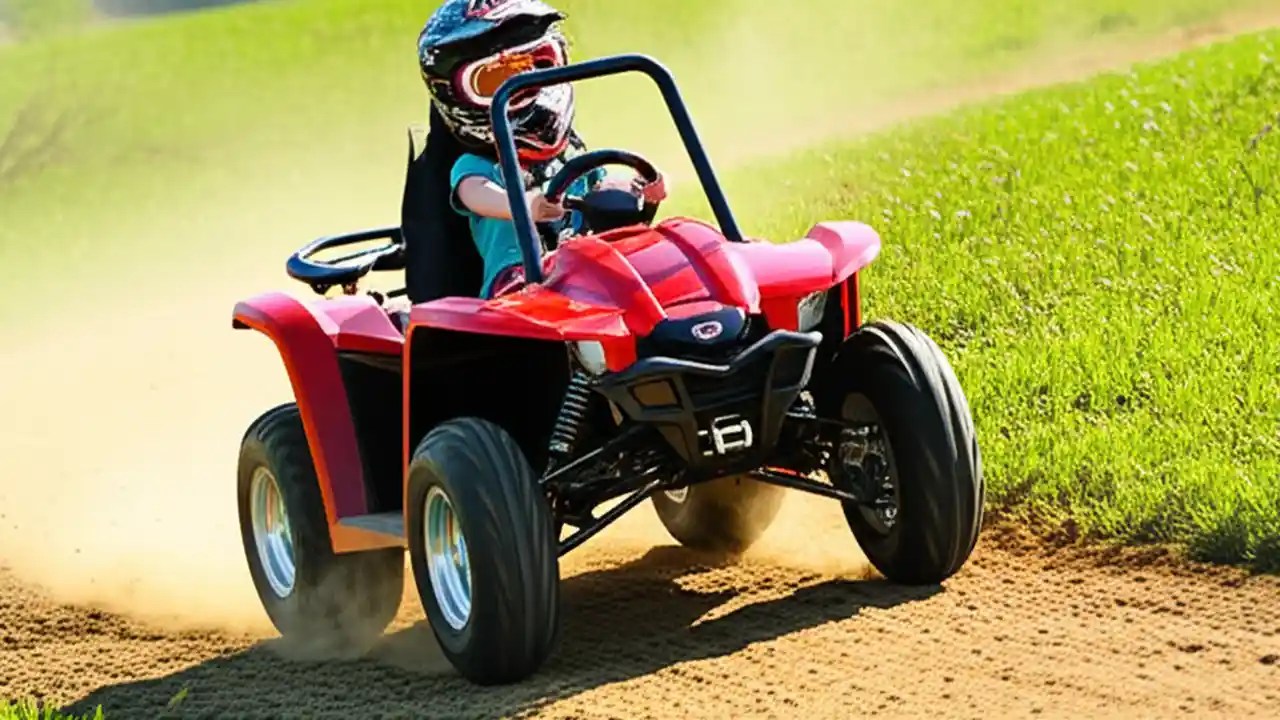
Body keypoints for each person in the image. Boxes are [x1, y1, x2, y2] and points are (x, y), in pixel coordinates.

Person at [417, 0, 667, 298]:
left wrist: (640, 189)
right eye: (497, 79)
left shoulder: (571, 156)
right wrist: (527, 206)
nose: (525, 83)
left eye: (538, 64)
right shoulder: (478, 167)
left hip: (584, 280)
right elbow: (476, 194)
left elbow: (600, 186)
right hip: (515, 298)